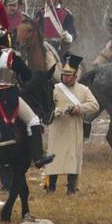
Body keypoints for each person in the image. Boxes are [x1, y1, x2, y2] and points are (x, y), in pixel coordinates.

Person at [0, 0, 53, 168]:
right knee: (33, 120)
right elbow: (26, 76)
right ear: (7, 37)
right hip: (6, 96)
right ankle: (38, 157)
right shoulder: (10, 56)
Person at [45, 54, 99, 194]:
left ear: (75, 76)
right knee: (54, 158)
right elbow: (46, 107)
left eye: (69, 75)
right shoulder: (55, 89)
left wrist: (79, 108)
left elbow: (95, 105)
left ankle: (71, 188)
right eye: (64, 75)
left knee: (73, 159)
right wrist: (56, 111)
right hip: (57, 128)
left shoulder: (83, 90)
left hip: (74, 129)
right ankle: (51, 187)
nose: (65, 78)